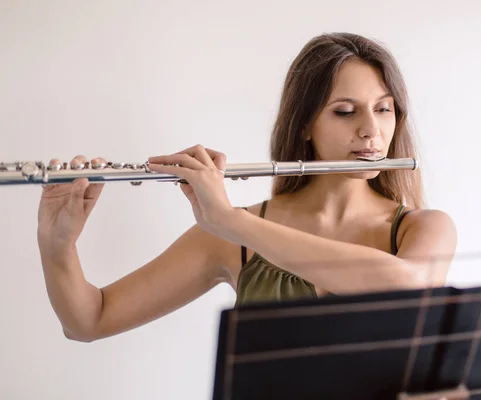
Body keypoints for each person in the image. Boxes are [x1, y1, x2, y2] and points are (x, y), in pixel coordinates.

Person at [37, 32, 457, 344]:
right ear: (305, 124)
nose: (371, 130)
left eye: (384, 109)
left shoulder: (422, 229)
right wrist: (58, 246)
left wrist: (229, 220)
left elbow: (409, 286)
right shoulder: (227, 238)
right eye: (345, 111)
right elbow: (88, 322)